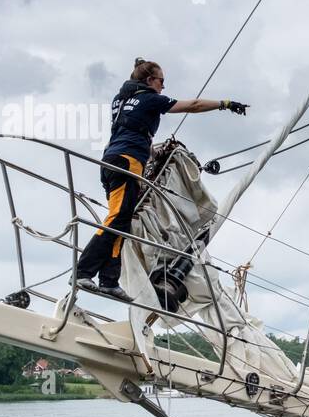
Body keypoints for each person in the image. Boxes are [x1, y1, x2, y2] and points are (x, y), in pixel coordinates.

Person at [74, 58, 249, 301]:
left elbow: (132, 129)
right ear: (149, 80)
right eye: (161, 81)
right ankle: (82, 271)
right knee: (116, 219)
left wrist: (155, 152)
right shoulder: (149, 98)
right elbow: (194, 105)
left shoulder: (120, 100)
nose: (163, 87)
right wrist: (225, 103)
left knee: (122, 221)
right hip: (127, 162)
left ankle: (108, 280)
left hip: (113, 160)